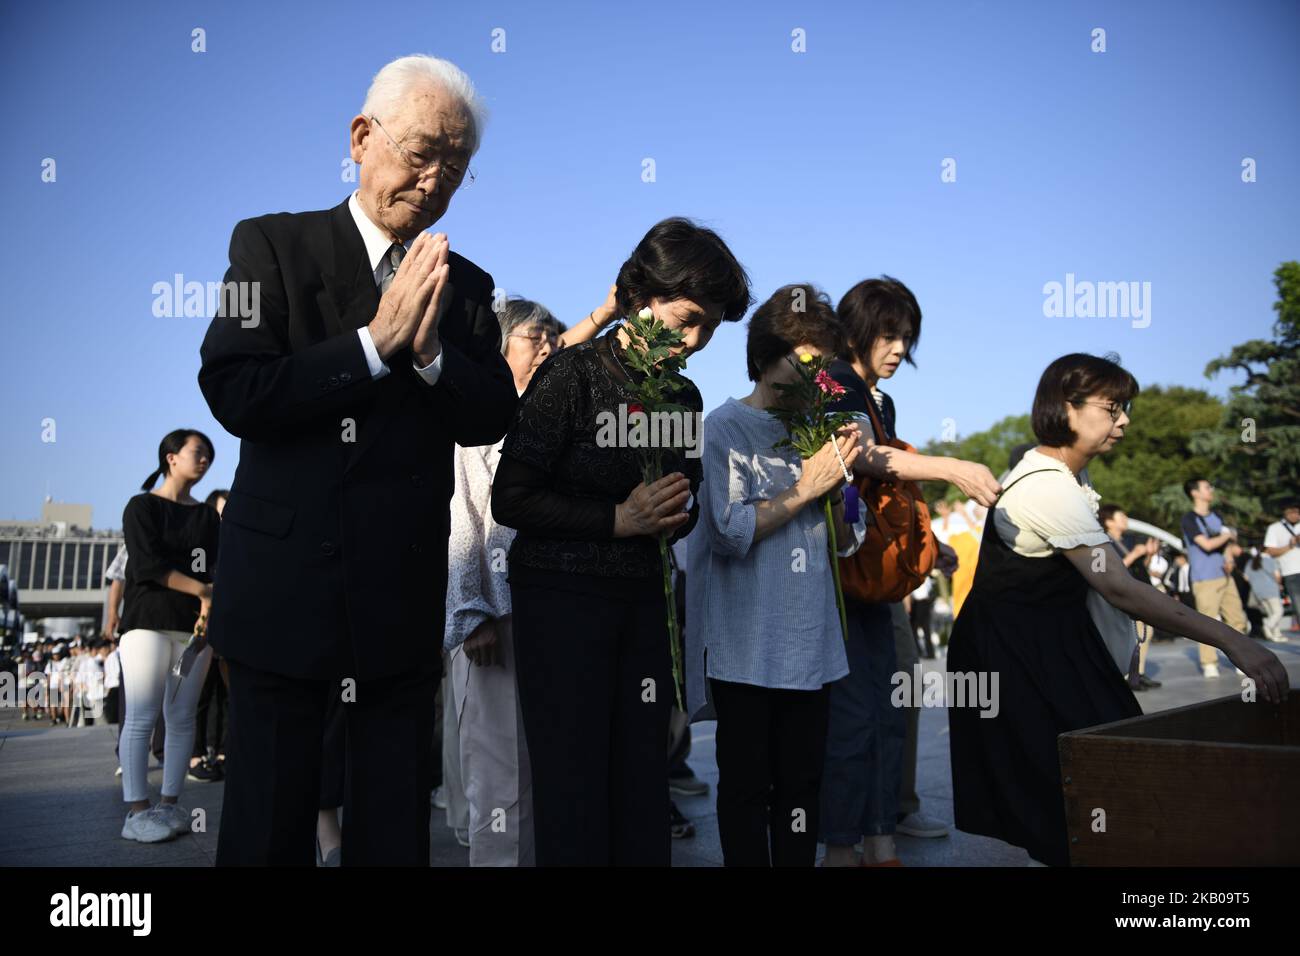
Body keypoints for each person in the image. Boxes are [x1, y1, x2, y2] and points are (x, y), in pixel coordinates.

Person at [199, 55, 516, 866]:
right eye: (422, 152)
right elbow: (236, 387)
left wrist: (434, 352)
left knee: (393, 832)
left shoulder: (469, 287)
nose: (436, 178)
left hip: (398, 612)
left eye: (457, 166)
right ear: (361, 138)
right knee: (267, 830)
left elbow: (492, 415)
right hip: (281, 601)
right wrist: (373, 348)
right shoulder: (269, 244)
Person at [947, 353, 1288, 867]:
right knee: (1085, 788)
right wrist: (1234, 640)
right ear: (1067, 407)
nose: (1124, 419)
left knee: (1101, 778)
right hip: (1016, 660)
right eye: (1112, 407)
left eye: (1124, 407)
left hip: (1050, 648)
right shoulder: (1044, 485)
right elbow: (1121, 588)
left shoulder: (1066, 479)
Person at [492, 216, 752, 865]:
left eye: (712, 328)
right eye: (688, 318)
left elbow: (684, 499)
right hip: (562, 603)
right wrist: (618, 520)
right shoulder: (572, 376)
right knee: (574, 786)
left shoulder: (684, 399)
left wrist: (676, 512)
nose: (695, 342)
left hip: (643, 604)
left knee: (640, 781)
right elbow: (511, 498)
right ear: (640, 297)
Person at [821, 276, 1001, 866]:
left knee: (891, 702)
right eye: (890, 335)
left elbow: (881, 487)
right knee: (854, 715)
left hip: (879, 575)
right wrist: (949, 467)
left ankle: (883, 828)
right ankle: (847, 841)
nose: (900, 349)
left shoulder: (881, 396)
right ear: (857, 330)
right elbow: (856, 457)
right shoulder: (832, 378)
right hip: (838, 576)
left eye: (907, 337)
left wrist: (928, 547)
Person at [687, 284, 866, 866]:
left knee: (801, 788)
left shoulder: (820, 428)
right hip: (745, 641)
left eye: (825, 367)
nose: (818, 379)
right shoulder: (724, 427)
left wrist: (839, 491)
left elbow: (844, 542)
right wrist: (805, 487)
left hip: (809, 640)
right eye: (806, 363)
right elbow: (726, 530)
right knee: (745, 787)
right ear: (765, 356)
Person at [444, 294, 611, 866]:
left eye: (550, 338)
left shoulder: (555, 414)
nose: (546, 346)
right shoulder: (476, 417)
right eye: (532, 337)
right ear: (500, 345)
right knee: (500, 768)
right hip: (496, 614)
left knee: (554, 760)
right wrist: (471, 612)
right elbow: (460, 517)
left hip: (554, 606)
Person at [118, 429, 221, 844]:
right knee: (143, 715)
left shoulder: (207, 515)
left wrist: (209, 603)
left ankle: (168, 803)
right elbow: (147, 566)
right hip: (147, 622)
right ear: (171, 457)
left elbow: (217, 567)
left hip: (195, 628)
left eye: (209, 456)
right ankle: (136, 811)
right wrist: (201, 591)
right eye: (198, 453)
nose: (204, 461)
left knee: (181, 720)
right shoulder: (141, 507)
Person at [1181, 478, 1248, 678]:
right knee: (1208, 623)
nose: (1211, 490)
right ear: (1194, 493)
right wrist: (1228, 536)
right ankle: (1209, 663)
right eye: (1206, 487)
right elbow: (1207, 545)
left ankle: (1242, 660)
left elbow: (1227, 546)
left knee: (1237, 619)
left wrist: (1229, 558)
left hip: (1225, 576)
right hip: (1204, 578)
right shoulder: (1189, 519)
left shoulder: (1217, 515)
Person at [1097, 504, 1162, 690]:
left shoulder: (1128, 540)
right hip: (1121, 596)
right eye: (1121, 517)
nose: (1126, 520)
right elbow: (1109, 572)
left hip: (1137, 592)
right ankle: (1127, 674)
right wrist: (1135, 554)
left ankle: (1137, 673)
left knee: (1145, 632)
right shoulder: (1104, 542)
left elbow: (1139, 568)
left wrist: (1148, 555)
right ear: (1109, 521)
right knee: (1129, 635)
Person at [1263, 502, 1300, 632]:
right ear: (1285, 512)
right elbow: (1270, 551)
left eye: (1297, 512)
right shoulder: (1275, 528)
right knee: (1298, 608)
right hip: (1290, 572)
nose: (1296, 515)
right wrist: (1290, 545)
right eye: (1292, 512)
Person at [1243, 547, 1287, 643]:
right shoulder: (1271, 560)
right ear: (1267, 550)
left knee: (1271, 613)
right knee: (1278, 612)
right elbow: (1277, 576)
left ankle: (1276, 635)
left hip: (1258, 591)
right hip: (1271, 590)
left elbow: (1246, 577)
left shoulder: (1251, 562)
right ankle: (1267, 627)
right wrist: (1279, 584)